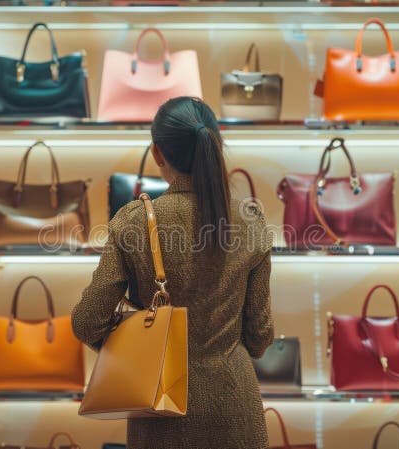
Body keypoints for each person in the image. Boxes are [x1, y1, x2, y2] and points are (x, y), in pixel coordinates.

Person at [71, 96, 274, 448]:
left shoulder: (134, 221)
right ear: (214, 143)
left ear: (157, 153)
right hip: (236, 408)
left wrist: (135, 344)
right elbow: (259, 338)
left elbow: (87, 321)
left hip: (160, 409)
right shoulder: (251, 221)